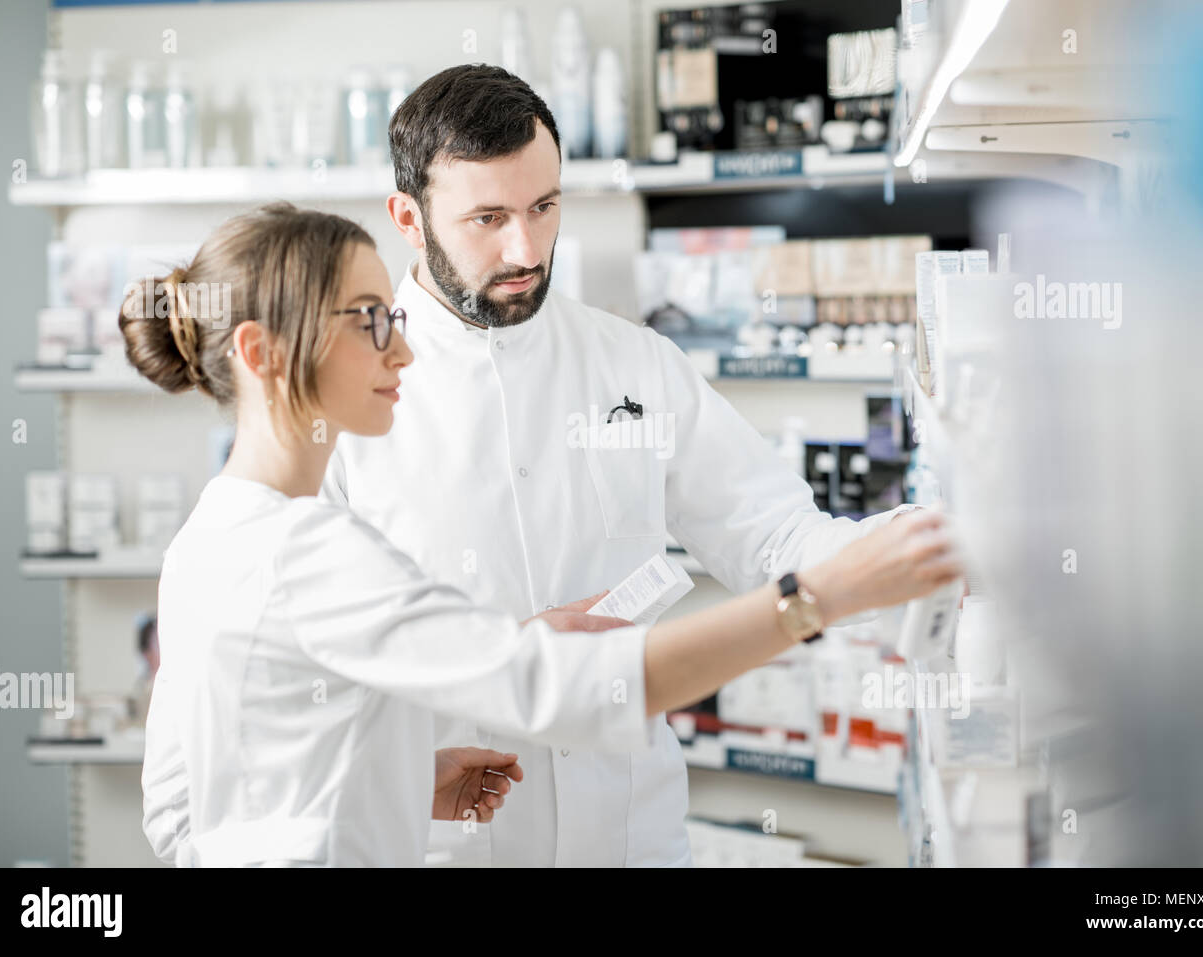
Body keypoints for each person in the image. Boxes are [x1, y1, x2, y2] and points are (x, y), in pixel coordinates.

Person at [127, 202, 961, 867]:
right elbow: (554, 686)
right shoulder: (307, 550)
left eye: (544, 204)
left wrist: (390, 783)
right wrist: (816, 599)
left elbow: (178, 803)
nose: (404, 351)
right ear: (262, 352)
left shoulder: (208, 539)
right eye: (371, 321)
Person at [321, 64, 933, 867]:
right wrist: (501, 661)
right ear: (409, 217)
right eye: (488, 218)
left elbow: (779, 538)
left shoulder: (633, 365)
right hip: (452, 845)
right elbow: (315, 679)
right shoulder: (345, 401)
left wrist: (932, 542)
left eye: (545, 207)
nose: (526, 248)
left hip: (631, 837)